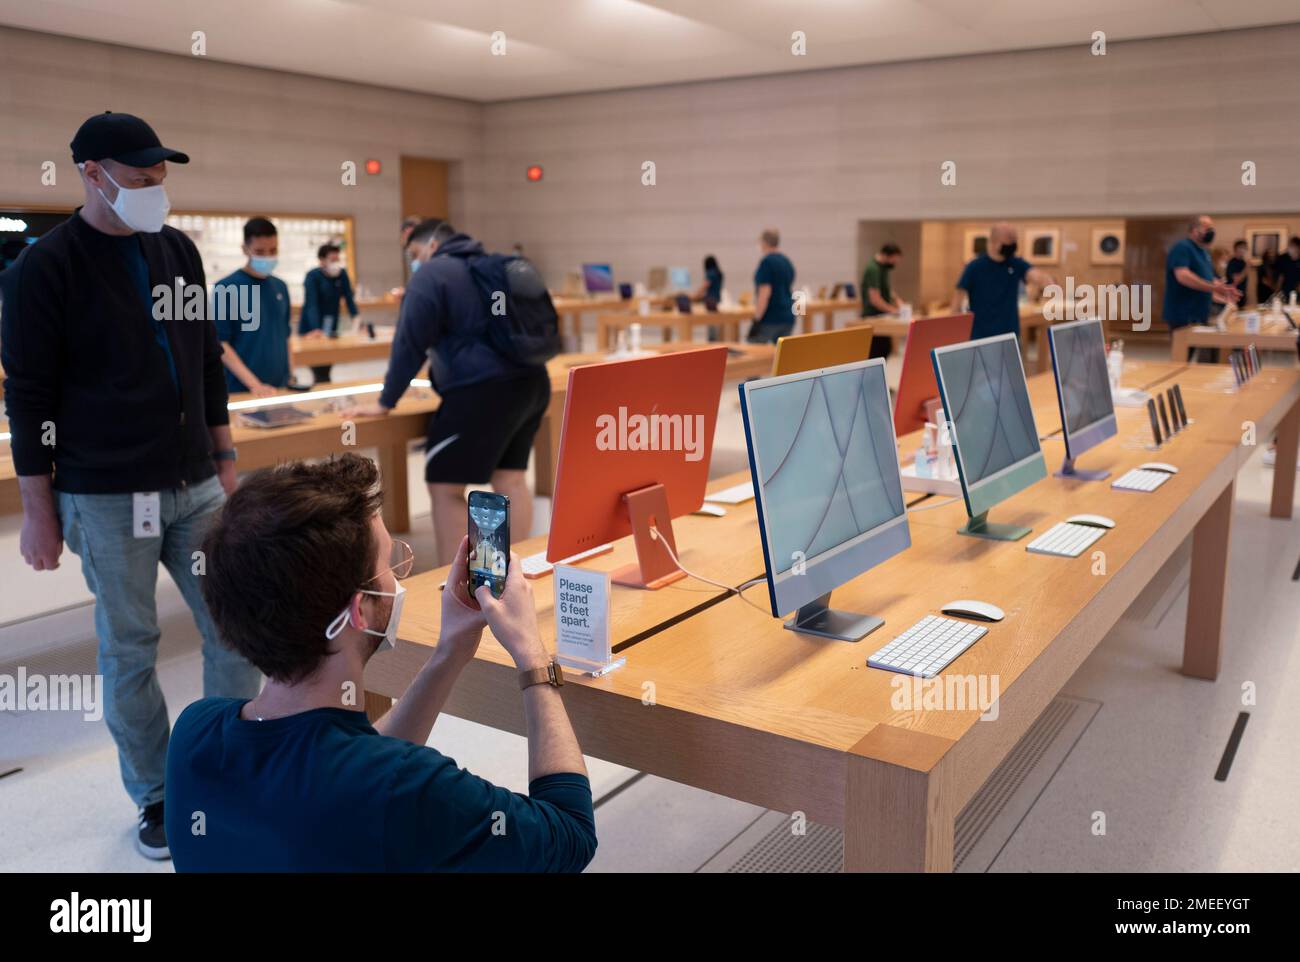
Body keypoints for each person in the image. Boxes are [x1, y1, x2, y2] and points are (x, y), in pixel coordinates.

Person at [0, 111, 261, 860]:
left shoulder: (176, 250)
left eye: (161, 178)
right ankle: (157, 794)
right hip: (108, 495)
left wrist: (226, 463)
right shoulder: (44, 270)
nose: (156, 189)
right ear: (93, 174)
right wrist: (39, 513)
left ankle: (224, 770)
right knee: (131, 647)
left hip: (195, 486)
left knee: (234, 630)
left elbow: (205, 362)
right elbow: (29, 397)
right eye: (141, 178)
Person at [165, 455, 597, 871]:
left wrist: (450, 650)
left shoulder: (194, 732)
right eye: (390, 563)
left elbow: (351, 763)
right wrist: (532, 656)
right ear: (358, 611)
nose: (396, 578)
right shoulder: (408, 789)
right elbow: (571, 835)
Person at [345, 219, 551, 565]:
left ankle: (453, 586)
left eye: (413, 253)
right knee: (511, 478)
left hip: (480, 394)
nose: (414, 261)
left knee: (445, 485)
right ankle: (517, 576)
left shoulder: (432, 274)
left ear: (432, 245)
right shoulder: (495, 267)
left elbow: (409, 343)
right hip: (531, 384)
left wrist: (385, 401)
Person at [212, 217, 293, 396]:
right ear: (245, 249)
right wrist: (255, 385)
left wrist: (291, 376)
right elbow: (221, 344)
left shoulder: (280, 287)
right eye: (260, 251)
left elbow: (285, 337)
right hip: (243, 390)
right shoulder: (227, 288)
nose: (267, 257)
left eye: (273, 250)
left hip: (279, 386)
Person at [952, 223, 1055, 341]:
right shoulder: (974, 267)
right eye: (1009, 241)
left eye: (1014, 241)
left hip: (1010, 337)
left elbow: (1034, 275)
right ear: (994, 242)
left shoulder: (1015, 264)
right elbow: (956, 304)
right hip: (980, 337)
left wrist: (1046, 280)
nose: (1012, 245)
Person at [1162, 216, 1242, 358]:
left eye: (1212, 228)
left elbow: (1210, 279)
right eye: (1207, 227)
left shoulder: (1204, 252)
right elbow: (1183, 276)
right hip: (1183, 314)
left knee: (1204, 357)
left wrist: (1226, 291)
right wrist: (1213, 288)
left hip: (1200, 313)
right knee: (1182, 358)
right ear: (1194, 230)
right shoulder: (1183, 248)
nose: (1211, 231)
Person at [300, 242, 362, 383]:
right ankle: (323, 388)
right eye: (332, 260)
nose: (335, 263)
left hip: (330, 325)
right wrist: (316, 328)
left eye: (337, 259)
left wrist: (357, 319)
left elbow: (348, 298)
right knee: (318, 365)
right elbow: (311, 305)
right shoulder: (313, 276)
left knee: (327, 362)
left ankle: (325, 387)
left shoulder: (341, 275)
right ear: (322, 260)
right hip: (312, 326)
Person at [748, 228, 796, 343]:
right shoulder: (786, 261)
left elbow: (764, 294)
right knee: (780, 356)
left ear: (764, 242)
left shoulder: (766, 263)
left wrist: (756, 320)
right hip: (788, 316)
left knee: (754, 349)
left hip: (771, 317)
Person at [860, 243, 904, 358]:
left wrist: (897, 299)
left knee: (885, 349)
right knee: (877, 352)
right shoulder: (873, 269)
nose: (894, 264)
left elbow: (886, 289)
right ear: (885, 256)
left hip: (882, 316)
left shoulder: (883, 269)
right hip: (873, 316)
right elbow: (874, 299)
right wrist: (893, 310)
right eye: (893, 261)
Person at [1225, 240, 1250, 307]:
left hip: (1241, 295)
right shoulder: (1232, 262)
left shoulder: (1243, 262)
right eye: (1242, 247)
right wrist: (1247, 267)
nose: (1244, 250)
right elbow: (1236, 280)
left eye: (1245, 248)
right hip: (1233, 296)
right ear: (1236, 249)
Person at [1276, 236, 1300, 301]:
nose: (1288, 249)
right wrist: (1276, 293)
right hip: (1285, 292)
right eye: (1289, 246)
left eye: (1291, 246)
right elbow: (1280, 277)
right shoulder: (1283, 258)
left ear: (1297, 247)